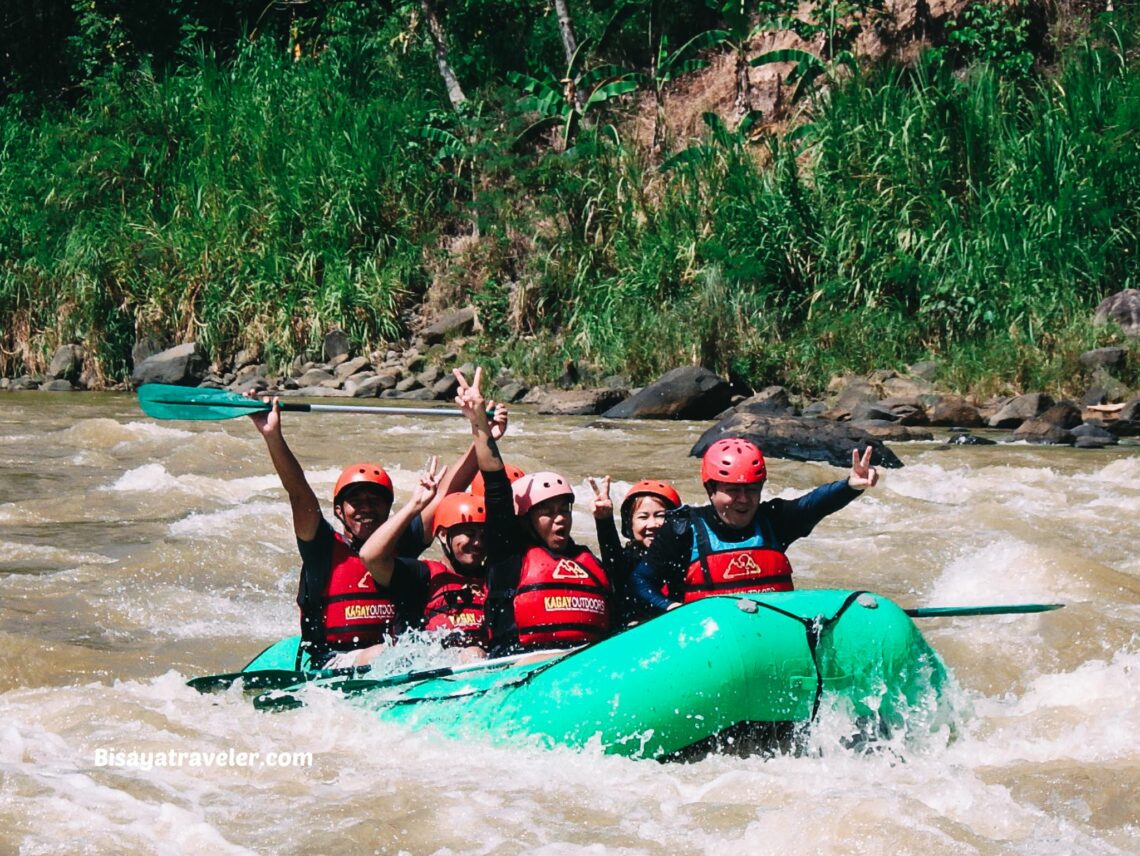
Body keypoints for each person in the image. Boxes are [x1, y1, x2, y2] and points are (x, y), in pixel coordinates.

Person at [248, 395, 504, 668]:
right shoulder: (321, 546)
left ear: (388, 506)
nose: (365, 509)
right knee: (393, 651)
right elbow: (299, 493)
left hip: (400, 656)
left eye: (375, 501)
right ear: (339, 511)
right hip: (333, 660)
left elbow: (446, 494)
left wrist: (483, 433)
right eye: (355, 502)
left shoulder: (401, 541)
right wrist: (272, 436)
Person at [454, 367, 618, 657]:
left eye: (563, 510)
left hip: (584, 663)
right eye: (547, 512)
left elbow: (621, 583)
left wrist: (605, 523)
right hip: (520, 665)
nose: (559, 518)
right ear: (526, 520)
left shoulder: (585, 560)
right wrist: (480, 424)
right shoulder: (509, 556)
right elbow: (496, 486)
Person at [632, 437, 880, 613]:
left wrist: (850, 486)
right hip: (709, 646)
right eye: (732, 491)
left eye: (752, 489)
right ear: (710, 490)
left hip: (770, 639)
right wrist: (670, 607)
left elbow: (813, 504)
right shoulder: (682, 529)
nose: (743, 499)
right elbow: (642, 581)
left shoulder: (774, 521)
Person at [589, 476, 682, 626]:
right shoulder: (627, 560)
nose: (652, 524)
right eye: (643, 517)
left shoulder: (686, 554)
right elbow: (612, 559)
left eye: (660, 516)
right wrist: (604, 520)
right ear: (630, 524)